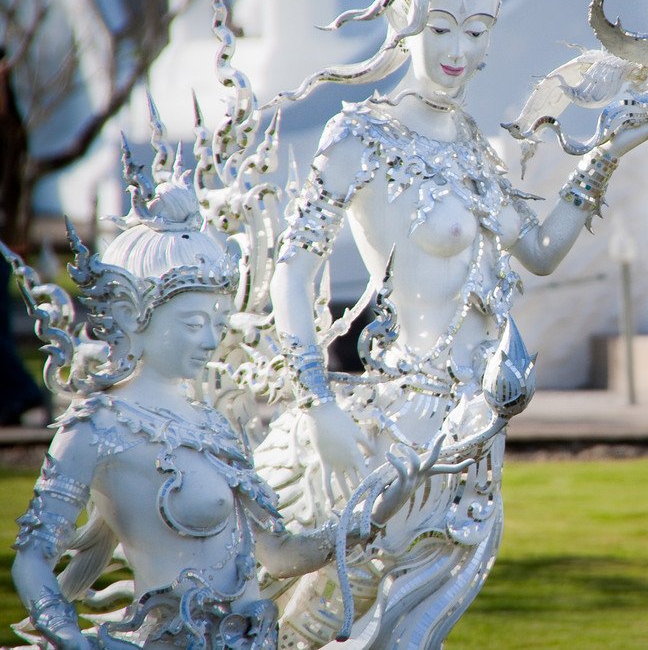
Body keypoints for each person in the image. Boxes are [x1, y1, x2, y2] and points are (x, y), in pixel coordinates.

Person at [256, 0, 648, 647]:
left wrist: (617, 140)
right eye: (443, 28)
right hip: (389, 434)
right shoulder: (359, 136)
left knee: (406, 634)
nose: (463, 51)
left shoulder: (469, 145)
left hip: (469, 437)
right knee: (315, 625)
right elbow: (291, 273)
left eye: (480, 29)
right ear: (404, 18)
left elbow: (537, 250)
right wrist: (316, 402)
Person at [7, 170, 424, 649]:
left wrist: (369, 516)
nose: (210, 339)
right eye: (192, 322)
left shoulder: (212, 425)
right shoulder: (98, 426)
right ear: (131, 316)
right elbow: (34, 554)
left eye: (218, 322)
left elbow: (280, 555)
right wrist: (67, 636)